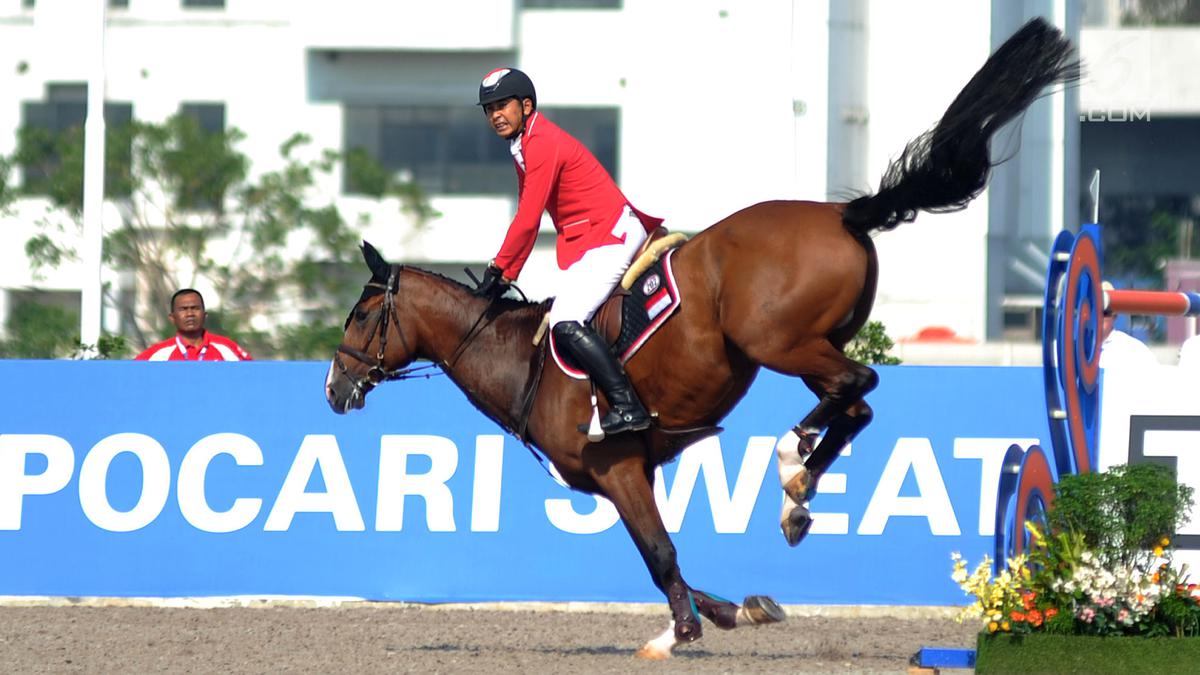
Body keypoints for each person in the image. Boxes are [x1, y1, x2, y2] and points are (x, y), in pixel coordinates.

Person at [472, 67, 662, 436]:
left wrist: (499, 271)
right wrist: (506, 272)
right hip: (593, 239)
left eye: (503, 105)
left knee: (564, 320)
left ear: (527, 106)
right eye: (488, 108)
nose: (495, 114)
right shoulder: (525, 142)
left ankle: (626, 404)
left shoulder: (540, 142)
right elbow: (529, 214)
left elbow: (528, 219)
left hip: (610, 235)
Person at [135, 289, 252, 361]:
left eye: (195, 308)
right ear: (172, 318)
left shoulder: (226, 348)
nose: (190, 314)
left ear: (205, 315)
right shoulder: (157, 354)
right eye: (183, 309)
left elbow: (253, 378)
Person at [1099, 282, 1157, 370]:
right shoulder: (1073, 350)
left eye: (1104, 312)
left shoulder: (1135, 351)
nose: (1098, 317)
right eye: (1094, 311)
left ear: (1115, 315)